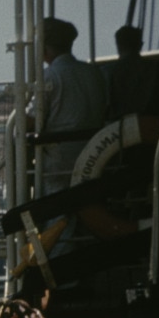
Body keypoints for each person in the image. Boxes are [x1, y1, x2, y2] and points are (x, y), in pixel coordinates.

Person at [37, 17, 108, 193]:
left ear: (44, 48)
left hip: (60, 160)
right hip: (95, 153)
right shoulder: (94, 73)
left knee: (56, 207)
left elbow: (33, 119)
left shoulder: (49, 76)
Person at [108, 24, 159, 120]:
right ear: (140, 44)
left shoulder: (108, 72)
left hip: (118, 127)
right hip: (152, 124)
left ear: (118, 44)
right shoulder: (157, 69)